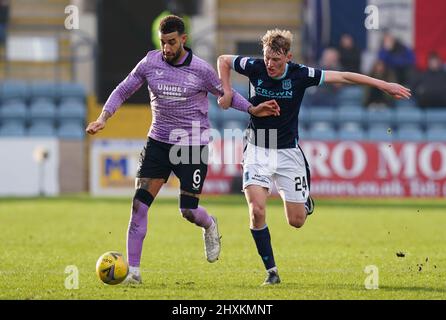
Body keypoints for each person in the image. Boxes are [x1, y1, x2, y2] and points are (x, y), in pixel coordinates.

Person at [86, 15, 280, 285]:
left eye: (172, 42)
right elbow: (123, 90)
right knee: (139, 205)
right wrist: (104, 118)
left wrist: (251, 108)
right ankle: (134, 272)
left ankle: (210, 224)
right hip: (158, 142)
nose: (167, 48)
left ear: (184, 40)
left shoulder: (201, 70)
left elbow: (226, 94)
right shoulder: (150, 62)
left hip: (192, 146)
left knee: (188, 211)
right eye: (163, 42)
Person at [217, 29, 411, 286]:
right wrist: (227, 90)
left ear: (288, 56)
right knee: (257, 211)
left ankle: (304, 199)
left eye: (276, 59)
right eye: (267, 58)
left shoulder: (301, 74)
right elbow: (223, 60)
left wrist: (383, 84)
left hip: (288, 153)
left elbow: (342, 75)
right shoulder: (254, 66)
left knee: (296, 221)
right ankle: (272, 271)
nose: (270, 64)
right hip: (256, 150)